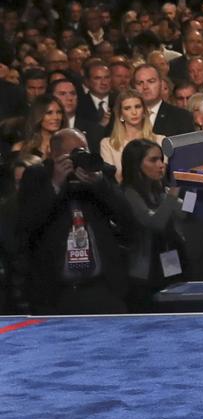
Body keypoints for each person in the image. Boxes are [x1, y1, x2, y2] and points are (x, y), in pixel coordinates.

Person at [13, 129, 136, 314]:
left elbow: (128, 219)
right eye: (74, 152)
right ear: (54, 154)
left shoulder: (102, 173)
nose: (81, 156)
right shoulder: (37, 176)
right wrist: (55, 183)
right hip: (56, 293)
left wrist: (100, 185)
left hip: (102, 289)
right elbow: (27, 223)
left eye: (84, 150)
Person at [114, 137, 187, 310]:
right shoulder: (128, 193)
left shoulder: (161, 191)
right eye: (153, 160)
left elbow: (186, 212)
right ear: (136, 164)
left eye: (161, 159)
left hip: (170, 267)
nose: (161, 165)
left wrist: (190, 188)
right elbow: (155, 222)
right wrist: (172, 195)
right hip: (144, 276)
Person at [96, 92, 151, 174]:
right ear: (120, 115)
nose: (134, 112)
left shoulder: (160, 140)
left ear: (144, 111)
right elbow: (111, 179)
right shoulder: (108, 144)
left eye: (137, 107)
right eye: (127, 108)